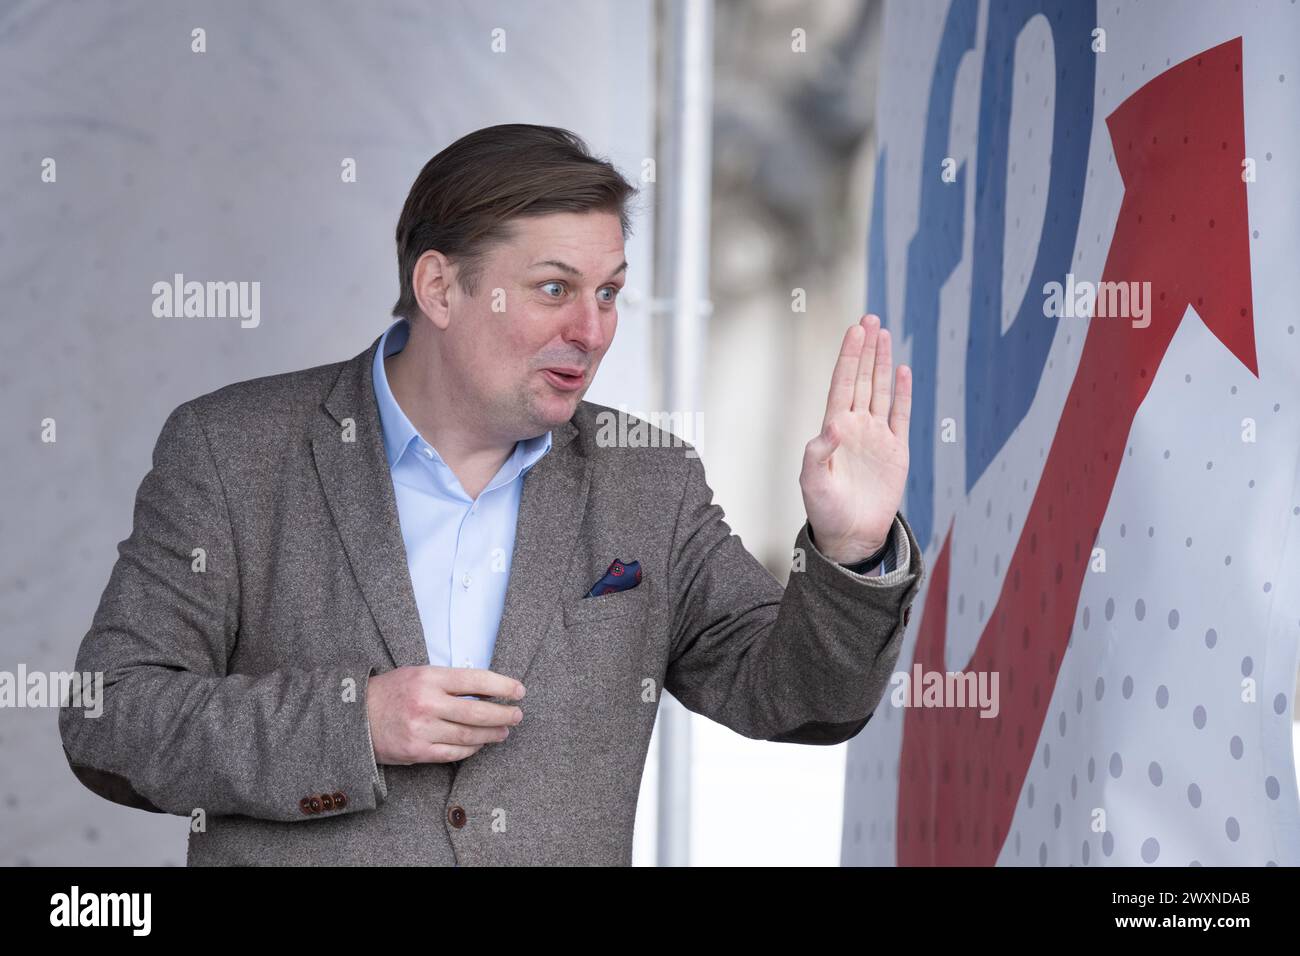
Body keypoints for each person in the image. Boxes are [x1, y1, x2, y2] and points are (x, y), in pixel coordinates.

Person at [59, 123, 924, 865]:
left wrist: (850, 550)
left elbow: (801, 701)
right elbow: (113, 718)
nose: (592, 330)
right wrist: (352, 723)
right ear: (440, 287)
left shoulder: (647, 480)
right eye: (555, 289)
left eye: (609, 293)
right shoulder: (232, 449)